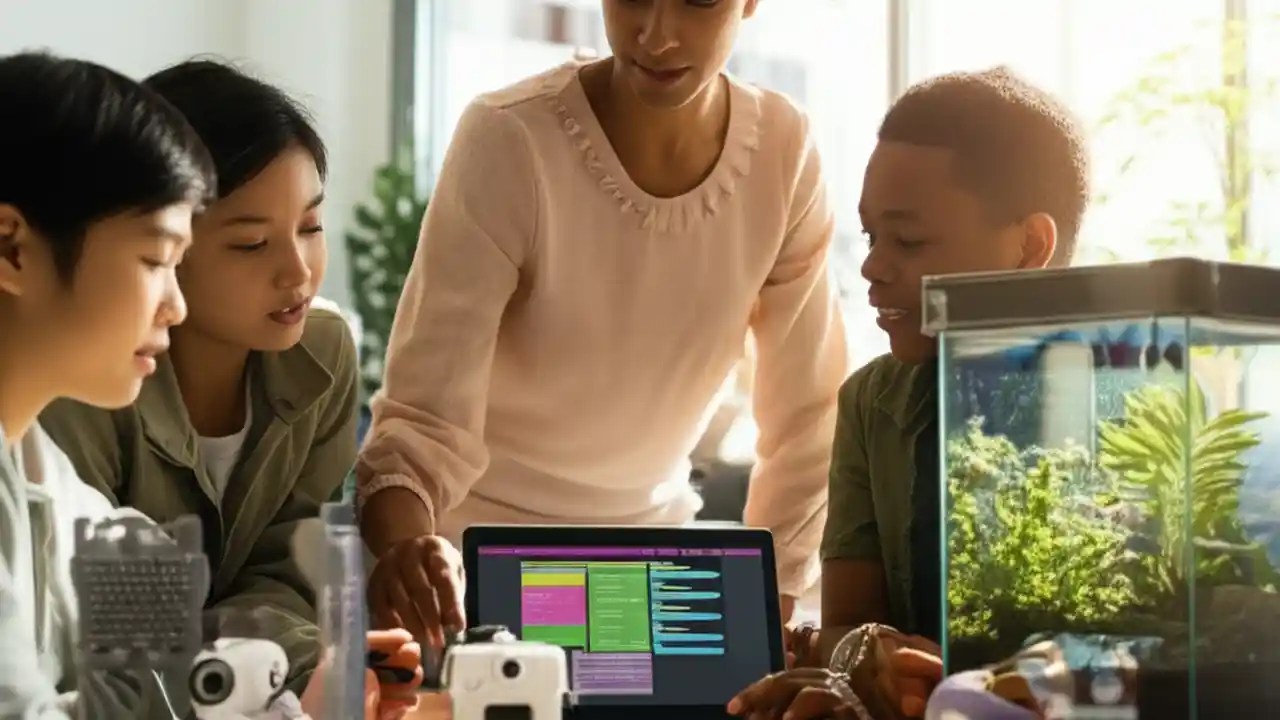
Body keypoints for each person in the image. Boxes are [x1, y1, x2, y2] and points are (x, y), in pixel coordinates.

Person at [357, 0, 848, 646]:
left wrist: (768, 618)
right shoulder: (511, 139)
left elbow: (808, 420)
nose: (656, 34)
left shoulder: (784, 154)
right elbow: (420, 427)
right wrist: (412, 553)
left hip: (652, 578)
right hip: (474, 580)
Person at [727, 66, 1091, 719]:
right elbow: (848, 625)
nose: (871, 266)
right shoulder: (873, 403)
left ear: (1029, 246)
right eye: (870, 236)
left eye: (910, 240)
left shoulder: (1118, 402)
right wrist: (864, 659)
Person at [40, 59, 359, 698]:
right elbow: (89, 625)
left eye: (311, 227)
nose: (297, 273)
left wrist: (304, 674)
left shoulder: (320, 355)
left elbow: (291, 573)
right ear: (165, 240)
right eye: (250, 244)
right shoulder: (83, 379)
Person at [0, 50, 213, 718]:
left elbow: (132, 556)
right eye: (154, 259)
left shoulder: (30, 453)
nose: (176, 305)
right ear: (11, 247)